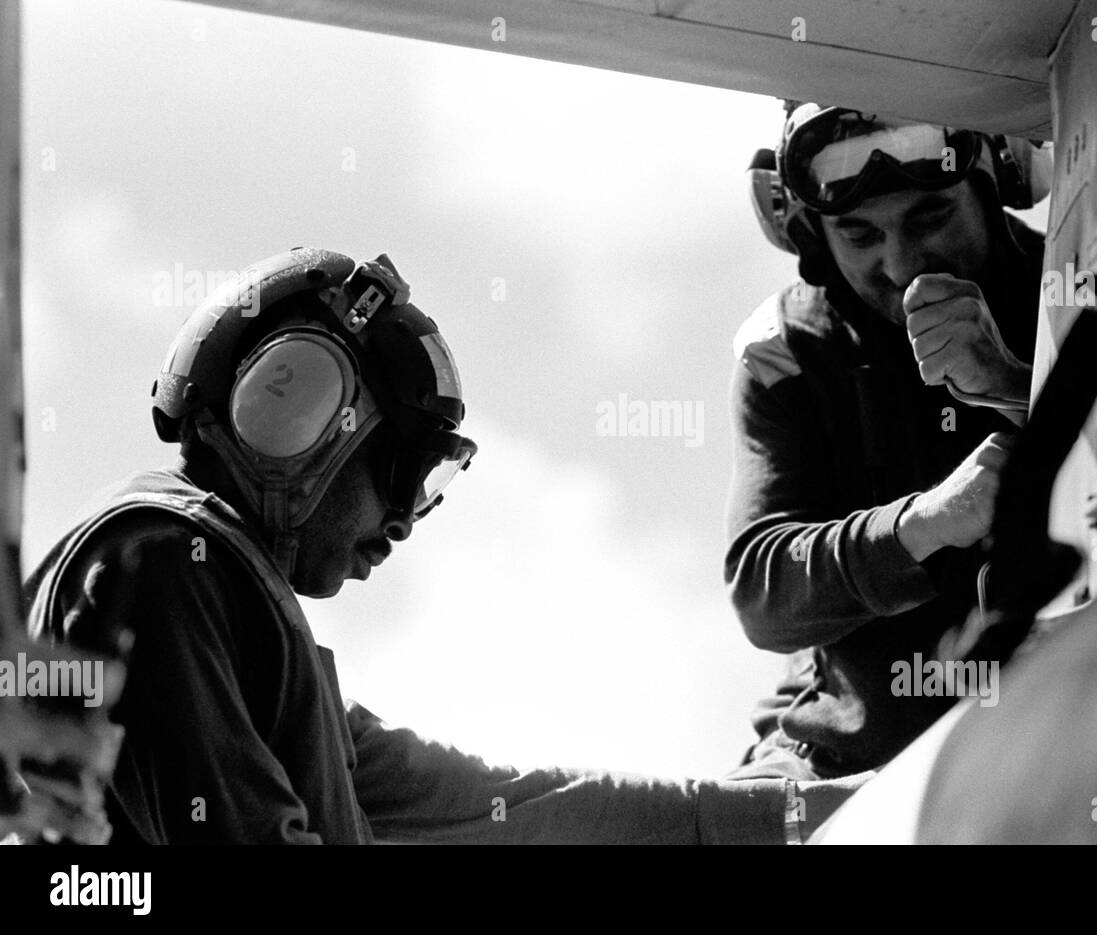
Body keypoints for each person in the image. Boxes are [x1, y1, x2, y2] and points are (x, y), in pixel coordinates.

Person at [22, 247, 859, 843]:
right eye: (401, 470)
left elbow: (520, 807)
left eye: (427, 491)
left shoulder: (250, 634)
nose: (400, 523)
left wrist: (791, 819)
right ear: (301, 407)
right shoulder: (160, 561)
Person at [726, 103, 1051, 780]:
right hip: (845, 762)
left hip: (1061, 723)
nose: (901, 264)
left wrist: (1016, 387)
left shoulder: (1078, 287)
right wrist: (924, 523)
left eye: (930, 218)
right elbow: (764, 592)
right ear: (812, 237)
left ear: (996, 187)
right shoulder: (785, 354)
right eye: (858, 234)